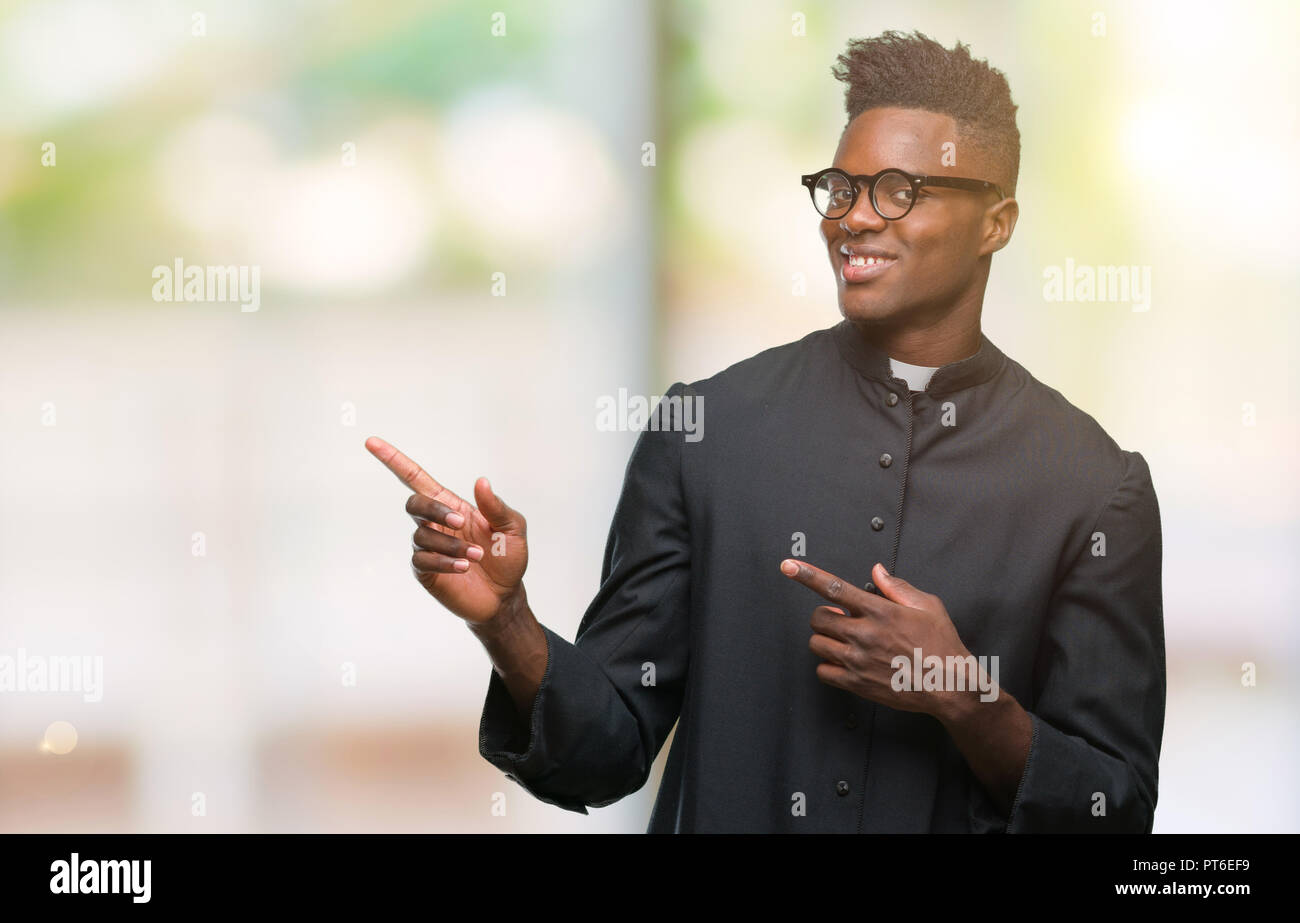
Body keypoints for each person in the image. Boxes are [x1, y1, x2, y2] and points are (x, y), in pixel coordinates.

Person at [366, 30, 1165, 833]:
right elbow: (605, 755)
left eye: (897, 190)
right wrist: (505, 622)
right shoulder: (706, 431)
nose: (854, 219)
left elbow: (1117, 811)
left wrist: (962, 691)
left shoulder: (1095, 488)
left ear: (997, 221)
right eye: (840, 187)